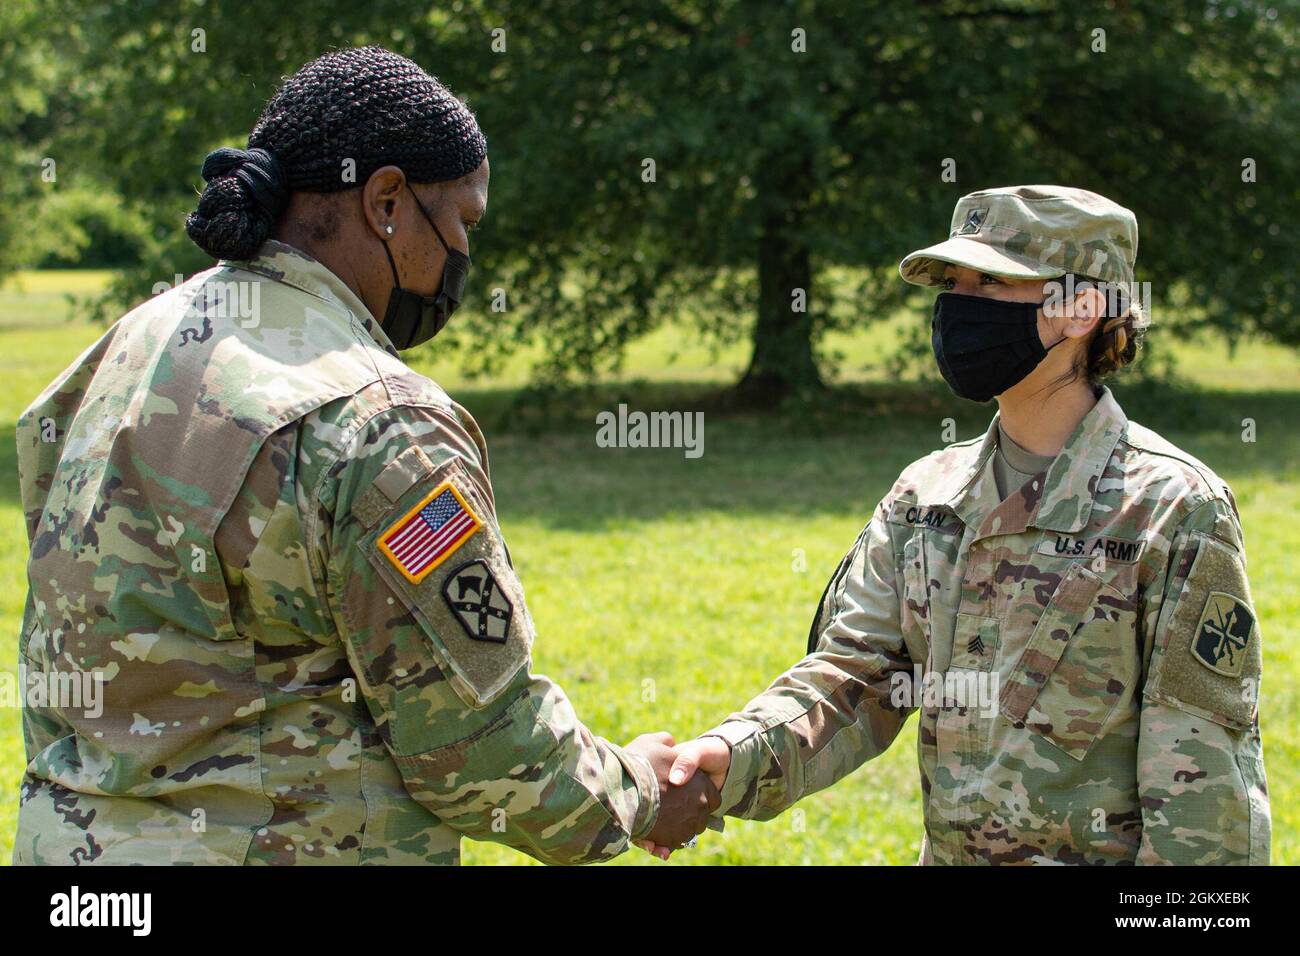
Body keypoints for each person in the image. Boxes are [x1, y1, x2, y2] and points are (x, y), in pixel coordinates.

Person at [13, 45, 716, 866]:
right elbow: (480, 750)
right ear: (387, 200)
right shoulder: (378, 420)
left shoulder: (126, 346)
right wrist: (639, 791)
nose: (463, 256)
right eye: (463, 222)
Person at [663, 185, 1270, 865]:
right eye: (953, 281)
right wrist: (725, 758)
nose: (958, 305)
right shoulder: (924, 497)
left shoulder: (1172, 510)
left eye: (990, 280)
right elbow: (858, 678)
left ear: (1081, 309)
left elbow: (1203, 799)